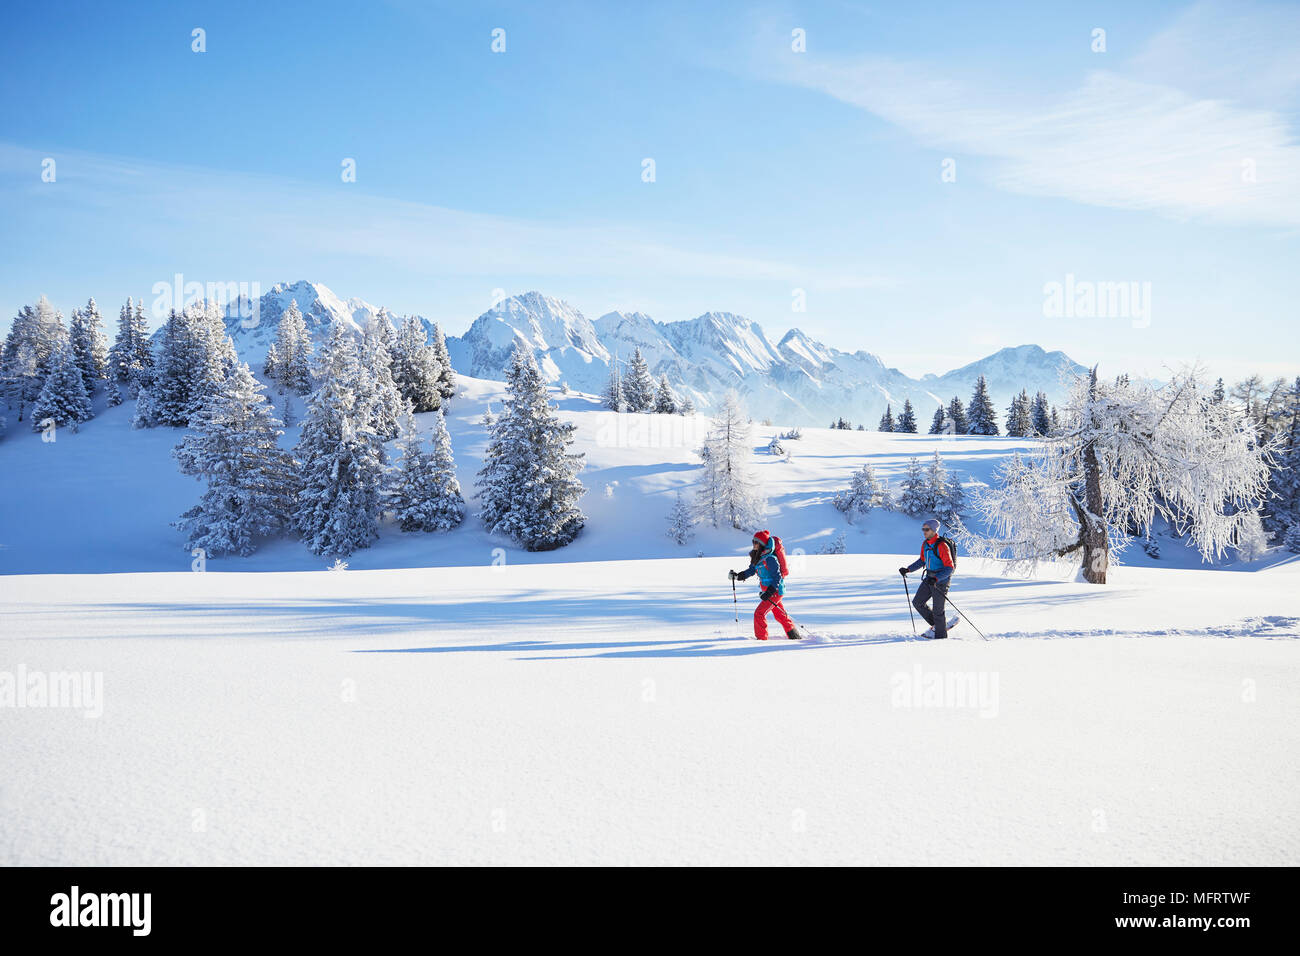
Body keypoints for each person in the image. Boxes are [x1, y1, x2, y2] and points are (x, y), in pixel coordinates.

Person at [730, 530, 802, 641]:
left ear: (762, 544)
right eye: (753, 541)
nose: (754, 544)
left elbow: (777, 577)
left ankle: (761, 640)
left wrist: (769, 592)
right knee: (780, 615)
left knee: (759, 613)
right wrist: (737, 576)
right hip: (768, 592)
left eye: (756, 542)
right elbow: (751, 571)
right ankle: (795, 636)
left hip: (775, 591)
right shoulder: (758, 558)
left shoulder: (770, 559)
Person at [899, 518, 958, 639]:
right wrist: (908, 569)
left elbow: (949, 568)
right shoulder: (925, 544)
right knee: (917, 602)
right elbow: (922, 560)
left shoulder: (942, 545)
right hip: (929, 578)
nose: (924, 531)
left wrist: (936, 578)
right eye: (923, 529)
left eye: (927, 529)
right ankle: (938, 626)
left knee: (938, 611)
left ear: (933, 530)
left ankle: (940, 638)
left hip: (941, 581)